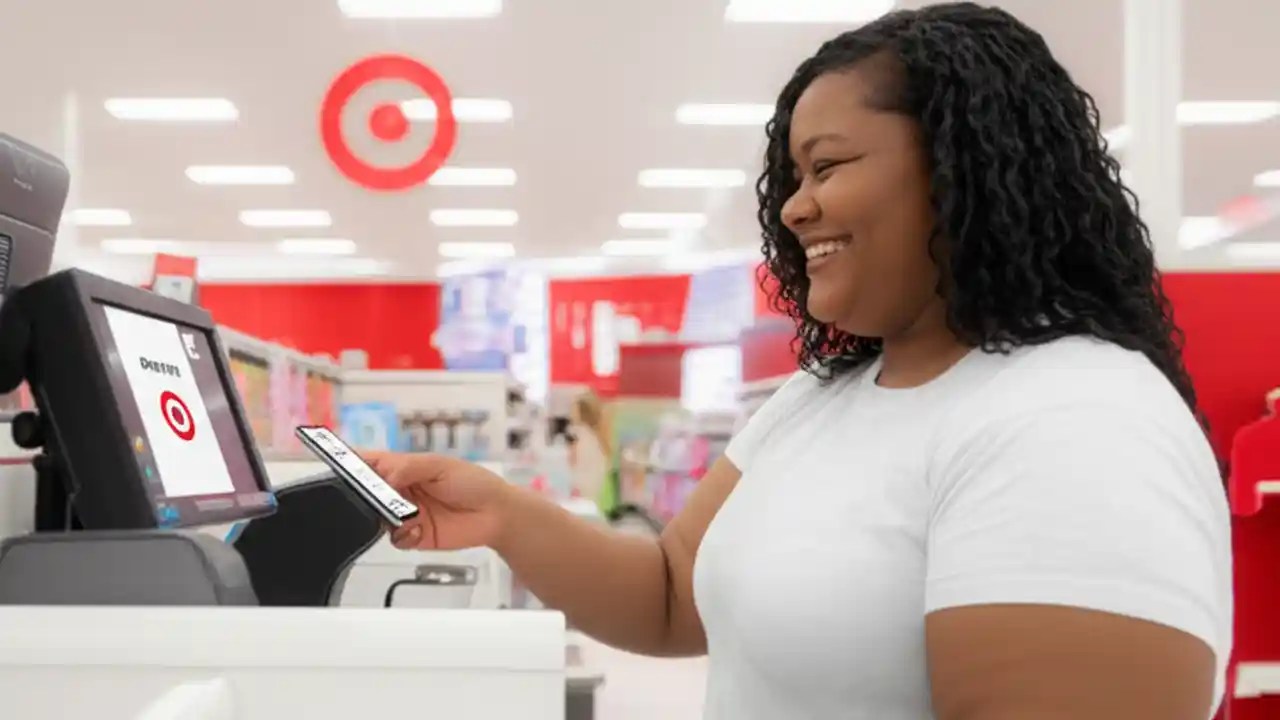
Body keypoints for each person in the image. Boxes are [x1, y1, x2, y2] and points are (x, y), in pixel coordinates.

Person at [366, 4, 1232, 718]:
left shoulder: (1076, 420)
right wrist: (505, 519)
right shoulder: (823, 398)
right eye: (791, 179)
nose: (794, 211)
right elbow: (674, 592)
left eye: (827, 168)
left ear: (960, 168)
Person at [566, 390, 610, 505]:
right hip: (594, 492)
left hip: (581, 491)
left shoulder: (581, 435)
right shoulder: (598, 438)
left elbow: (573, 462)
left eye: (573, 409)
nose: (571, 413)